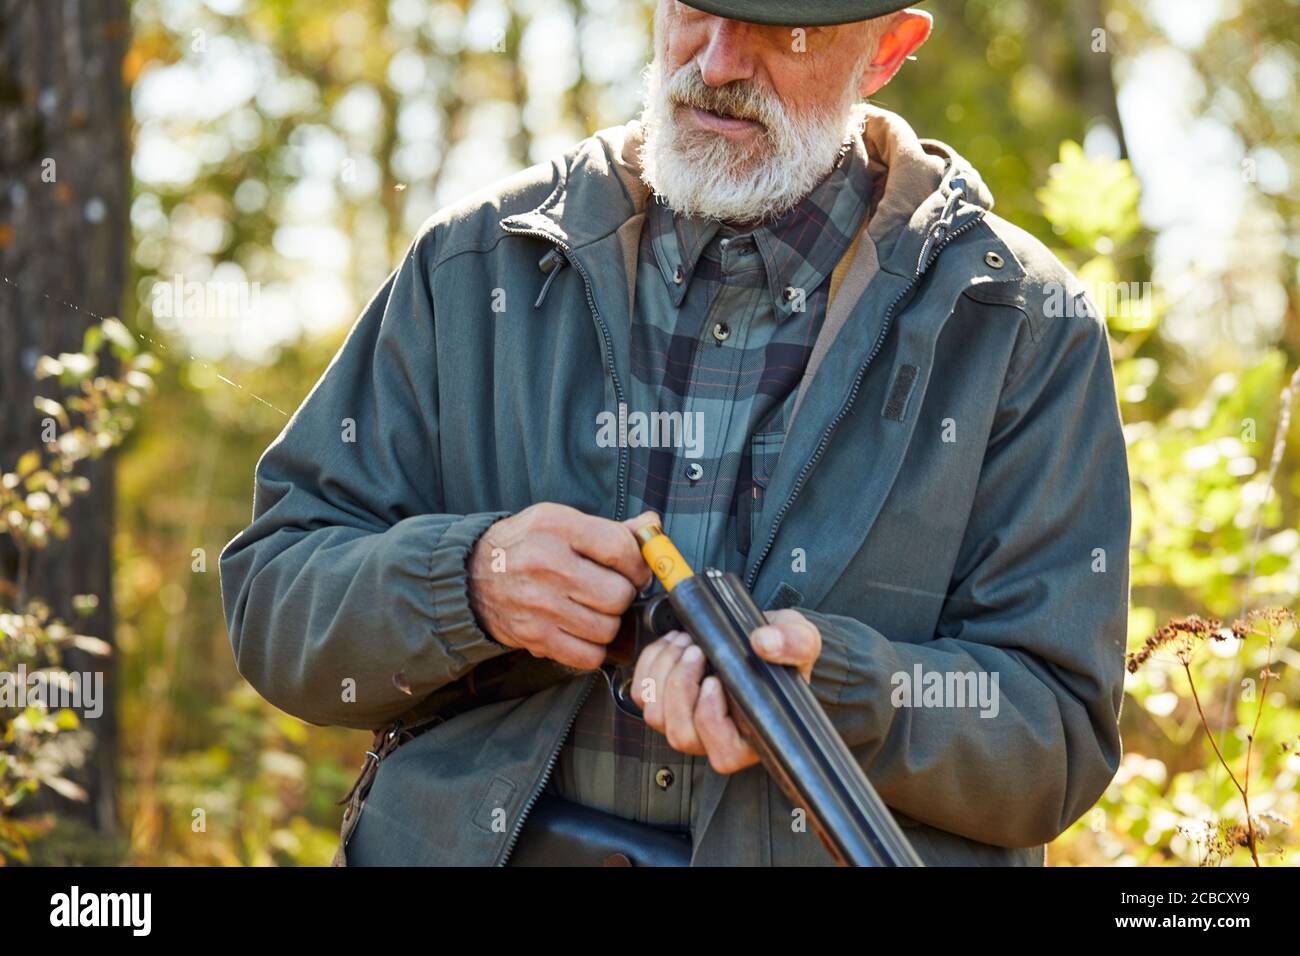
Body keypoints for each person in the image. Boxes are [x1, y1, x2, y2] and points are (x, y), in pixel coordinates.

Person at [220, 0, 1131, 866]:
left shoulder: (1022, 324)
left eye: (784, 31)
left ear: (887, 51)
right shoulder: (471, 264)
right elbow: (275, 601)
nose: (720, 61)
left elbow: (1055, 742)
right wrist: (471, 583)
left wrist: (843, 692)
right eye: (696, 9)